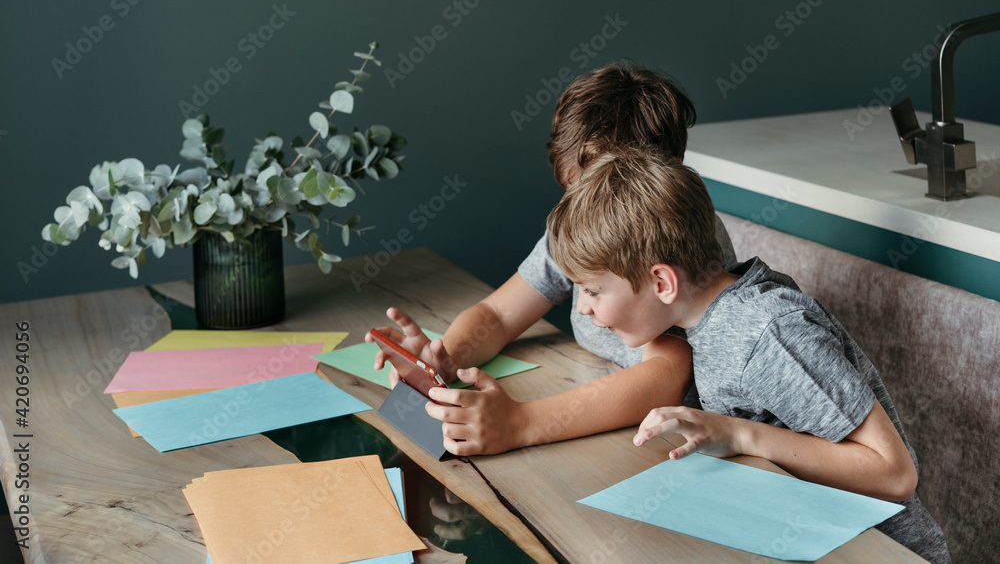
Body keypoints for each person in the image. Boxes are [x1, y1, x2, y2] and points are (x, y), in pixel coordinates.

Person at [544, 147, 950, 563]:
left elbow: (895, 473)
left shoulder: (768, 334)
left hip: (880, 552)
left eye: (592, 291)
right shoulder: (695, 321)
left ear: (662, 283)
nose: (582, 307)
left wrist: (740, 435)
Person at [367, 62, 736, 455]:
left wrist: (519, 424)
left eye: (592, 198)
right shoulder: (585, 230)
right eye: (573, 194)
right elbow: (498, 315)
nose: (578, 214)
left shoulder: (676, 244)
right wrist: (446, 359)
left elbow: (662, 380)